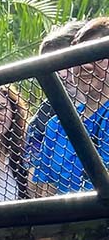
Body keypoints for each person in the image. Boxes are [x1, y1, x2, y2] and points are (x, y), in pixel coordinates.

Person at [32, 16, 109, 196]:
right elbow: (43, 189)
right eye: (78, 58)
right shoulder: (56, 125)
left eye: (97, 56)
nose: (86, 65)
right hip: (63, 212)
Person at [25, 20, 85, 170]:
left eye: (67, 63)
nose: (63, 74)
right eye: (54, 68)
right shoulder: (44, 117)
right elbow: (33, 172)